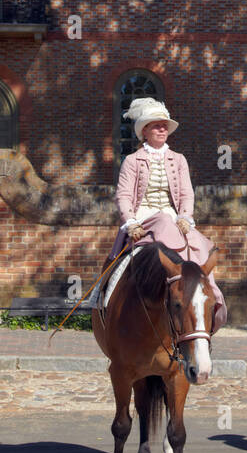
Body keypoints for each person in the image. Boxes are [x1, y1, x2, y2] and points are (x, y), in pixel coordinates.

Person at [81, 96, 226, 328]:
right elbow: (124, 196)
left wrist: (185, 217)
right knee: (122, 256)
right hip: (143, 218)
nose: (162, 129)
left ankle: (211, 300)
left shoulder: (178, 160)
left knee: (199, 248)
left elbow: (187, 194)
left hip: (173, 216)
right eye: (157, 126)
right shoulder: (132, 160)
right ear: (144, 131)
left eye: (164, 126)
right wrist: (131, 223)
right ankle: (106, 298)